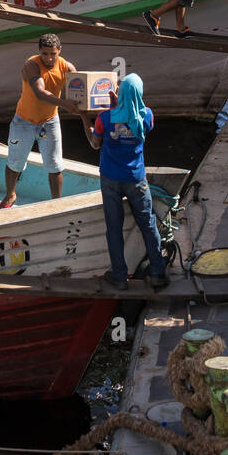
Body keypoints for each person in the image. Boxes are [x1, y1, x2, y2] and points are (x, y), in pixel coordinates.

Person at [80, 73, 169, 291]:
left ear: (120, 94)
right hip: (136, 180)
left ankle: (119, 276)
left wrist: (84, 118)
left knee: (114, 227)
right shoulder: (147, 116)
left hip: (111, 178)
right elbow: (135, 118)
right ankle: (158, 273)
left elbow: (95, 144)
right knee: (148, 224)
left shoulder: (105, 118)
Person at [0, 33, 76, 209]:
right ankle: (10, 195)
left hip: (49, 121)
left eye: (53, 54)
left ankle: (56, 203)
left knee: (55, 166)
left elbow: (82, 90)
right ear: (39, 52)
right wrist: (65, 104)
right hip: (23, 121)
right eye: (45, 54)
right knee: (14, 163)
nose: (49, 58)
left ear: (60, 51)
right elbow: (40, 93)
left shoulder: (67, 68)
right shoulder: (31, 66)